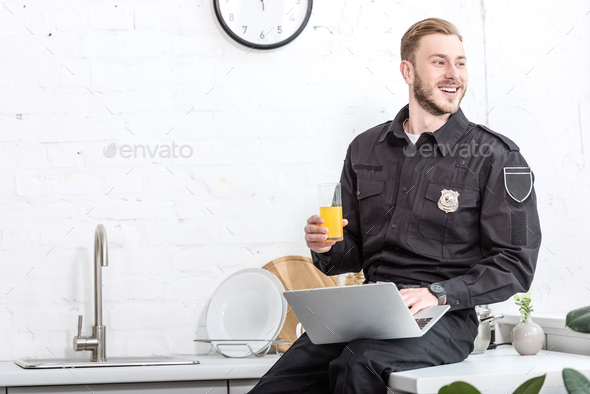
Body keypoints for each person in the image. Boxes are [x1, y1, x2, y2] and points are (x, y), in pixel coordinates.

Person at [249, 17, 541, 394]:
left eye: (461, 62)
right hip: (367, 313)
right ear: (408, 71)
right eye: (439, 62)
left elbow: (516, 264)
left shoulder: (499, 157)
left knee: (359, 363)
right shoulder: (364, 148)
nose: (454, 74)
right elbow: (347, 255)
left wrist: (437, 293)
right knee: (276, 384)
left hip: (444, 318)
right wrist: (325, 245)